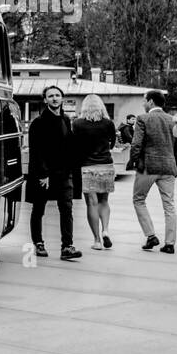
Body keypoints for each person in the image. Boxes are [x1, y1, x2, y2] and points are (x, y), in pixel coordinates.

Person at [27, 85, 82, 260]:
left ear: (62, 98)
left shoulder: (66, 119)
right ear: (45, 100)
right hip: (44, 174)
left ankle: (67, 246)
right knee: (39, 208)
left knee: (66, 208)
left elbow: (69, 146)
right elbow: (36, 150)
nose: (54, 98)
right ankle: (38, 243)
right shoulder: (38, 123)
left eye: (57, 95)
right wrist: (43, 174)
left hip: (64, 173)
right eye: (50, 96)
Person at [130, 89, 177, 253]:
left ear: (151, 101)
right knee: (169, 206)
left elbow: (136, 144)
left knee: (138, 199)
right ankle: (170, 244)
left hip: (148, 166)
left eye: (144, 100)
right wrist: (176, 168)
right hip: (168, 167)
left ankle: (151, 235)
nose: (143, 104)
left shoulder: (143, 119)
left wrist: (134, 161)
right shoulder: (174, 120)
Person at [72, 94, 117, 250]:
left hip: (87, 166)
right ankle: (105, 230)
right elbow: (112, 143)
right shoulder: (108, 123)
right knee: (104, 201)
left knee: (92, 203)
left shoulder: (77, 124)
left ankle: (97, 240)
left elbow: (74, 146)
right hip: (106, 165)